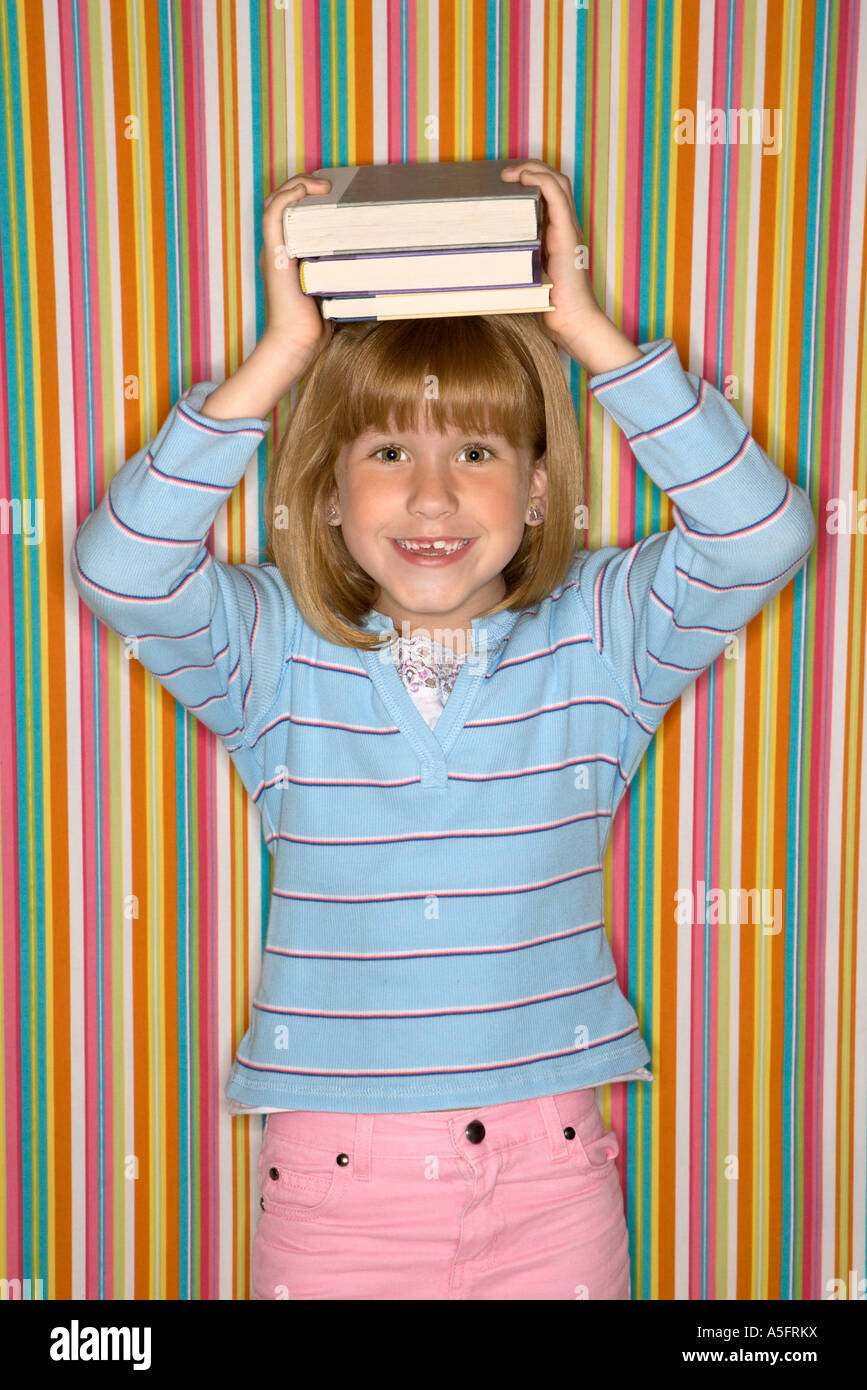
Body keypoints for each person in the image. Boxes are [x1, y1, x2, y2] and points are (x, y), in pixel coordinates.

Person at [70, 160, 816, 1300]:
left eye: (475, 452)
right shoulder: (273, 650)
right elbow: (119, 568)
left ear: (532, 491)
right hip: (339, 1187)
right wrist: (283, 353)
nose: (431, 497)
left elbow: (762, 536)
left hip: (554, 1180)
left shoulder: (602, 637)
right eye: (386, 454)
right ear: (326, 493)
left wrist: (581, 327)